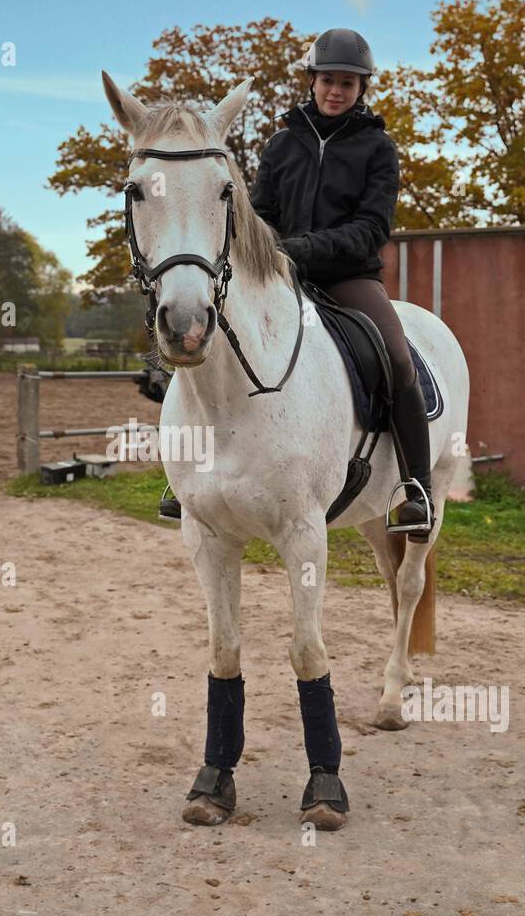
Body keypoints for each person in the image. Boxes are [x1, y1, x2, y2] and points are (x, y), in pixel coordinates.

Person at [159, 27, 434, 538]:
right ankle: (186, 478)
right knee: (205, 339)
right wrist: (266, 251)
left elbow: (372, 228)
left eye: (348, 83)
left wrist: (303, 250)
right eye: (328, 79)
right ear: (312, 81)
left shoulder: (378, 148)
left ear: (361, 89)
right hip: (275, 275)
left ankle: (416, 488)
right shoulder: (281, 144)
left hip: (349, 277)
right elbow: (260, 214)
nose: (336, 90)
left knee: (397, 357)